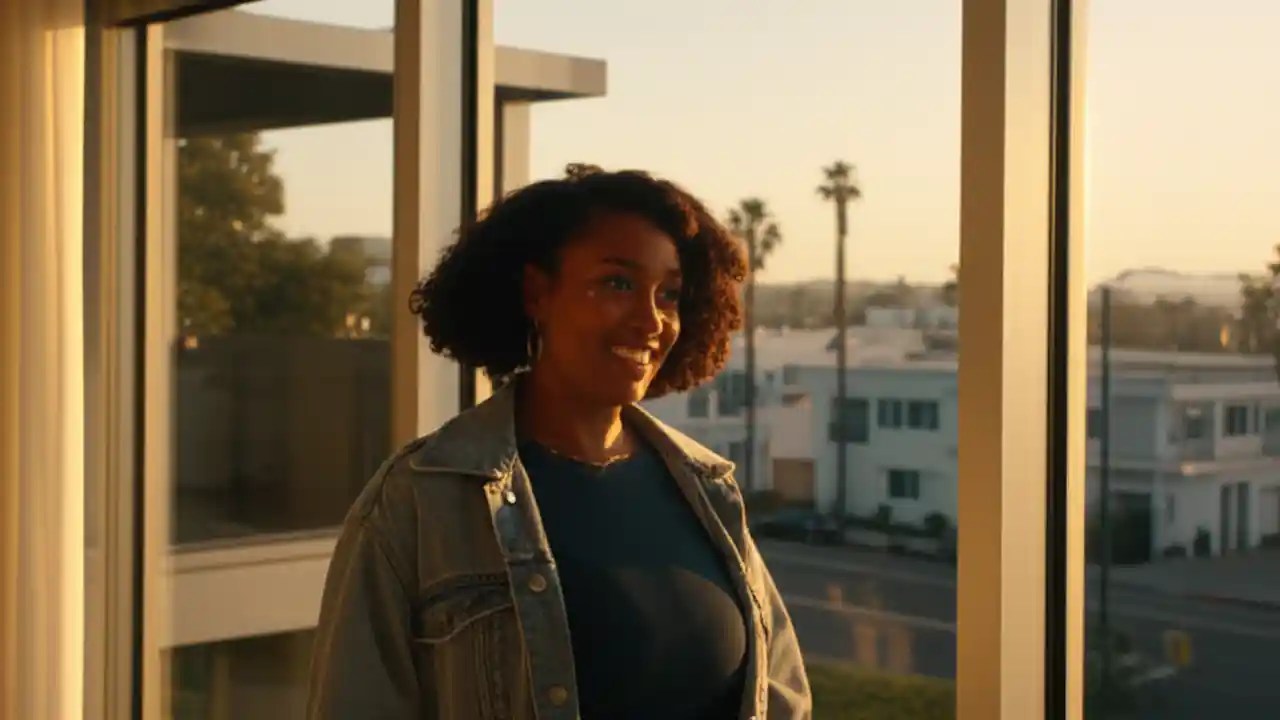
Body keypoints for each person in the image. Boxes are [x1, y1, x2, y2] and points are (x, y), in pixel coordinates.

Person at [307, 164, 811, 719]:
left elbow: (782, 694)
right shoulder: (417, 503)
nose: (651, 320)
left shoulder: (709, 490)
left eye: (668, 294)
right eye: (617, 283)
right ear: (536, 294)